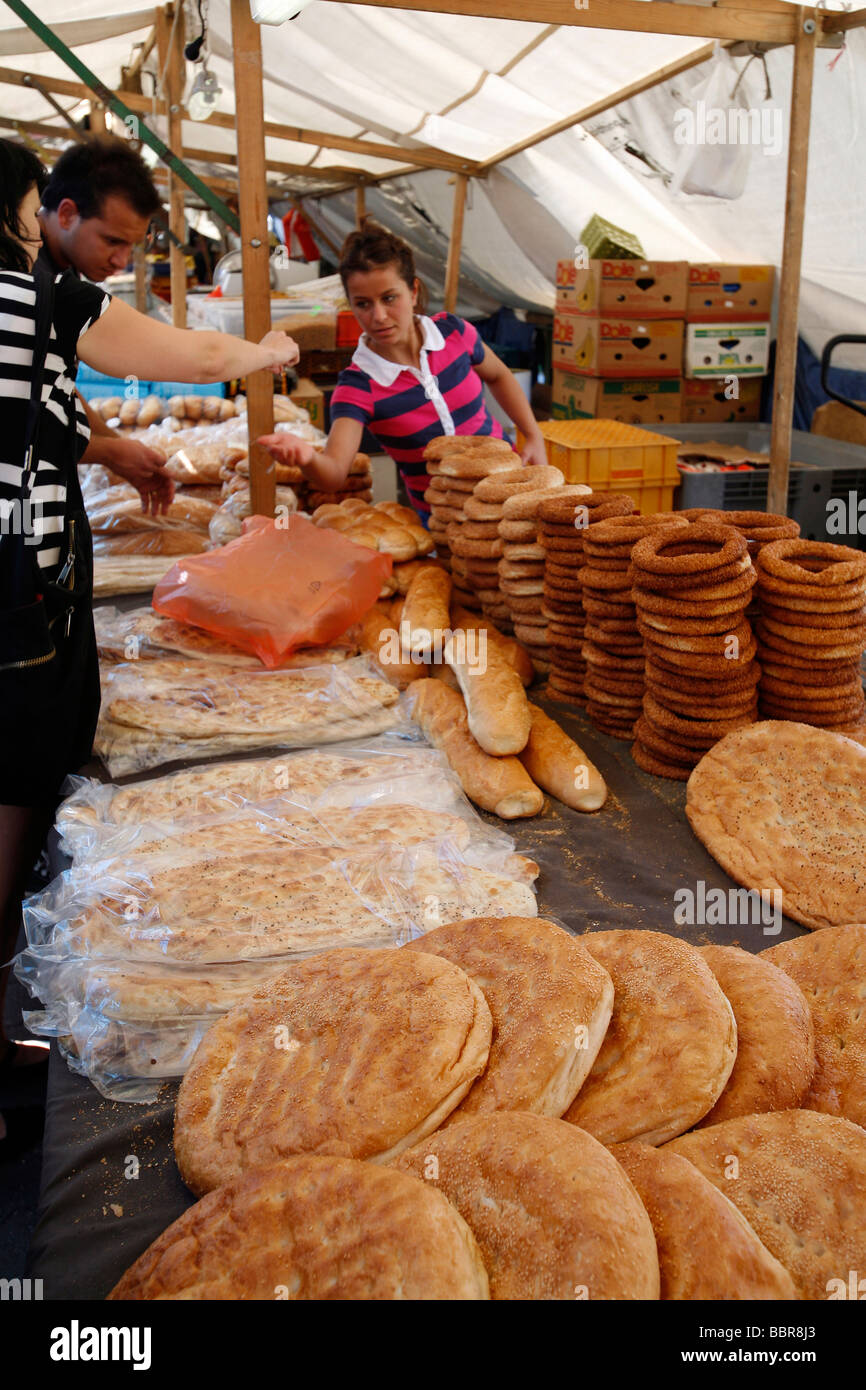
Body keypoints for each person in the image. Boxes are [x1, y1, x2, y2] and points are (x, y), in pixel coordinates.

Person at [0, 138, 299, 1156]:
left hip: (24, 577)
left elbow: (28, 404)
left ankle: (6, 1019)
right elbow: (197, 357)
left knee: (24, 790)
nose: (117, 262)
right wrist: (264, 353)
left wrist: (102, 443)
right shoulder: (35, 289)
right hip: (13, 587)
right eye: (109, 240)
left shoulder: (24, 293)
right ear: (43, 211)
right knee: (13, 796)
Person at [258, 220, 547, 518]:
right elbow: (334, 472)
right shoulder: (358, 387)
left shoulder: (453, 333)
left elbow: (499, 375)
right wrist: (307, 458)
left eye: (389, 298)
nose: (379, 316)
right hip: (445, 521)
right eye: (363, 304)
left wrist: (532, 434)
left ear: (413, 291)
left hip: (511, 492)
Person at [38, 136, 176, 514]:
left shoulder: (58, 276)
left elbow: (54, 383)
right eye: (112, 241)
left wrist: (116, 447)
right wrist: (109, 451)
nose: (121, 262)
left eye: (131, 246)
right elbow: (13, 422)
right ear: (66, 214)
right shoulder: (24, 283)